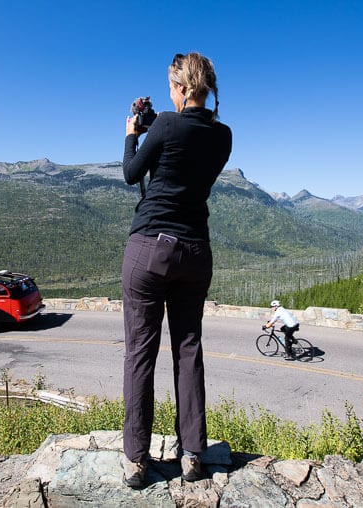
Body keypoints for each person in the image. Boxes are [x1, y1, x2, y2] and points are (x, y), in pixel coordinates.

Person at [120, 52, 232, 488]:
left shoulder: (164, 124)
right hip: (196, 252)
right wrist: (156, 125)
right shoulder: (224, 136)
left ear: (183, 88)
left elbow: (134, 173)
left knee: (140, 353)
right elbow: (186, 153)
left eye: (172, 87)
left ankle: (136, 459)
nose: (170, 94)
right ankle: (192, 455)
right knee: (189, 351)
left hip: (151, 248)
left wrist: (133, 131)